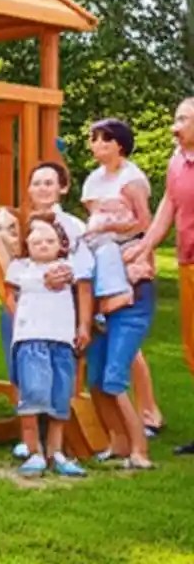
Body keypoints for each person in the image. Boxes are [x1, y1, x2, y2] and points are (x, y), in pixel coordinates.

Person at [0, 161, 95, 459]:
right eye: (37, 182)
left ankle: (54, 443)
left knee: (57, 375)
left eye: (49, 182)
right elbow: (11, 275)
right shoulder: (18, 223)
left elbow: (83, 281)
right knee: (23, 371)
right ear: (28, 188)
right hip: (24, 310)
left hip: (58, 316)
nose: (42, 188)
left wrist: (84, 323)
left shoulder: (73, 227)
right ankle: (29, 439)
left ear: (62, 188)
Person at [80, 118, 158, 468]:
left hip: (130, 278)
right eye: (94, 139)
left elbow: (146, 222)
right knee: (95, 379)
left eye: (101, 139)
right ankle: (118, 443)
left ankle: (140, 449)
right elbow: (93, 225)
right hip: (100, 269)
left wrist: (114, 228)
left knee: (113, 378)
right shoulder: (93, 181)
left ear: (118, 145)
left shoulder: (132, 179)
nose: (94, 145)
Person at [125, 97, 194, 454]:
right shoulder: (177, 162)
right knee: (193, 350)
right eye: (175, 118)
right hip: (187, 263)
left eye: (182, 119)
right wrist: (145, 245)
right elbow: (169, 205)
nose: (174, 126)